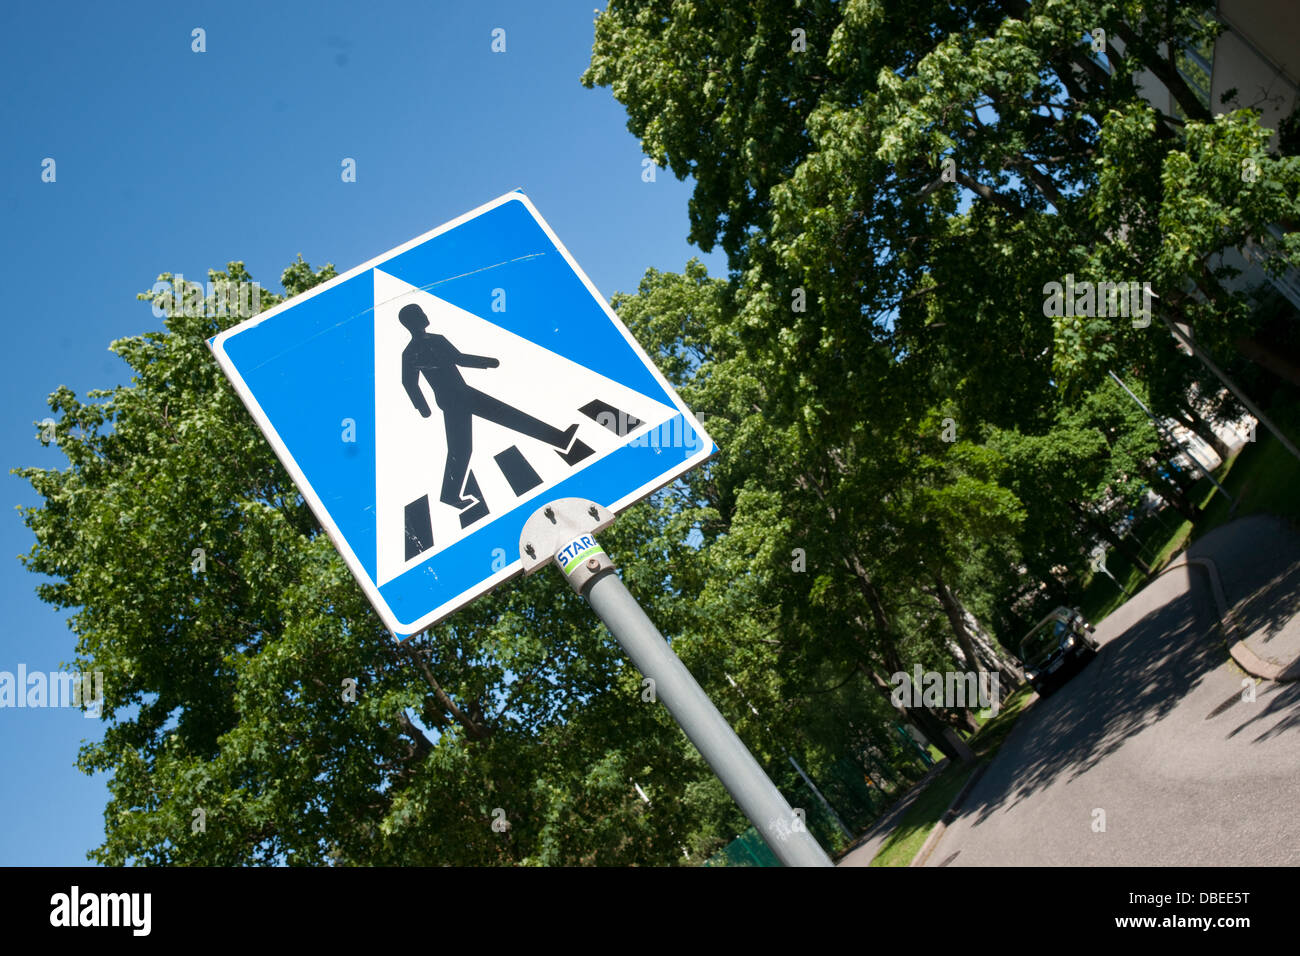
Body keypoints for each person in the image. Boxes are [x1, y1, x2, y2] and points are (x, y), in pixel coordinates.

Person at [398, 303, 578, 509]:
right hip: (451, 399)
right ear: (412, 322)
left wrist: (487, 362)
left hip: (462, 393)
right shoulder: (410, 352)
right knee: (464, 446)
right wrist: (423, 408)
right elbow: (409, 382)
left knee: (501, 421)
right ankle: (449, 495)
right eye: (420, 313)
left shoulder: (436, 340)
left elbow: (459, 359)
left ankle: (560, 438)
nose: (425, 314)